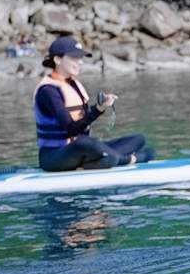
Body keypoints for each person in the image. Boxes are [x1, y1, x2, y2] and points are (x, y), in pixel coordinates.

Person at [34, 36, 153, 172]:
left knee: (138, 139)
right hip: (54, 157)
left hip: (82, 151)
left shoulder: (72, 84)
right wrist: (97, 110)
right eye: (74, 58)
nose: (80, 63)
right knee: (85, 142)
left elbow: (79, 116)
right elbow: (72, 129)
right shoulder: (48, 91)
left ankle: (102, 160)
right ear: (58, 59)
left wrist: (101, 106)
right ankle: (126, 159)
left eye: (80, 58)